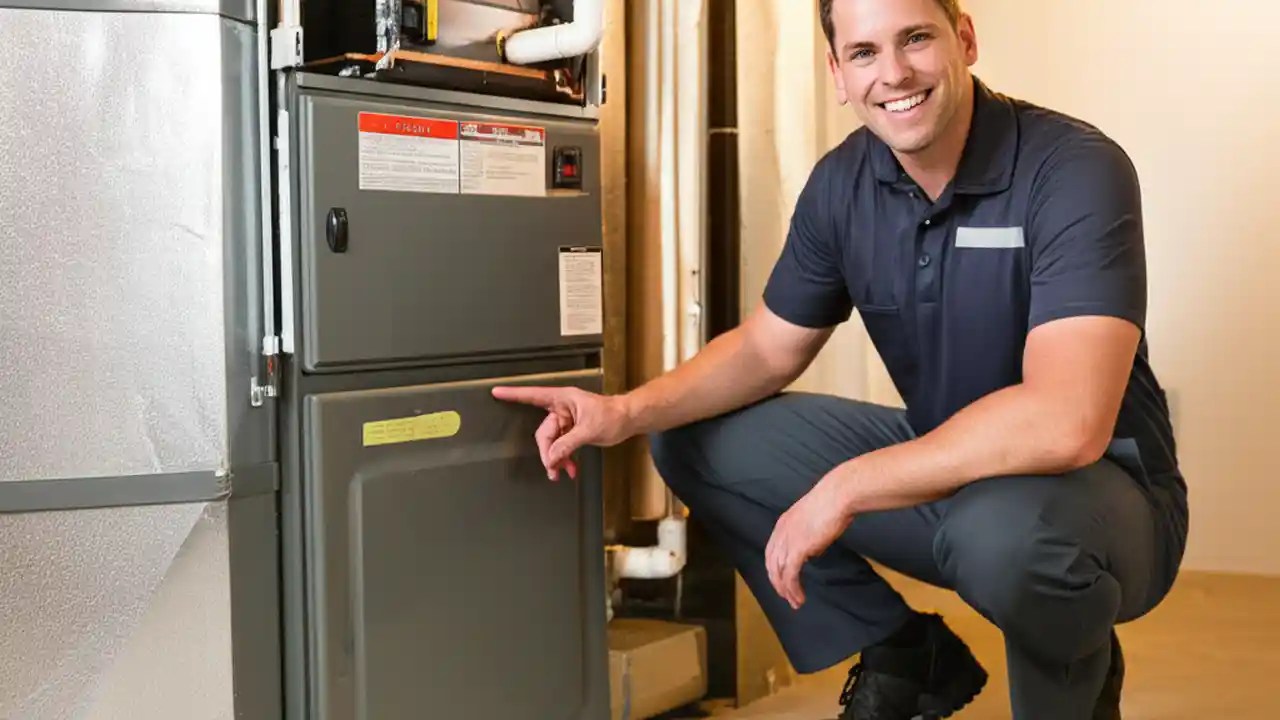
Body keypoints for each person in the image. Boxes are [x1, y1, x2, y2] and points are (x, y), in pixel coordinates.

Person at [494, 0, 1189, 717]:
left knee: (1004, 540)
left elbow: (1065, 422)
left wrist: (847, 488)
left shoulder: (1071, 168)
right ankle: (905, 654)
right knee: (694, 438)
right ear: (837, 73)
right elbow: (769, 347)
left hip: (1101, 494)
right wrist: (623, 411)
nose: (894, 74)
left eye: (916, 38)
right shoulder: (843, 184)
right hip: (947, 469)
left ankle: (1077, 673)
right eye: (864, 53)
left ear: (966, 39)